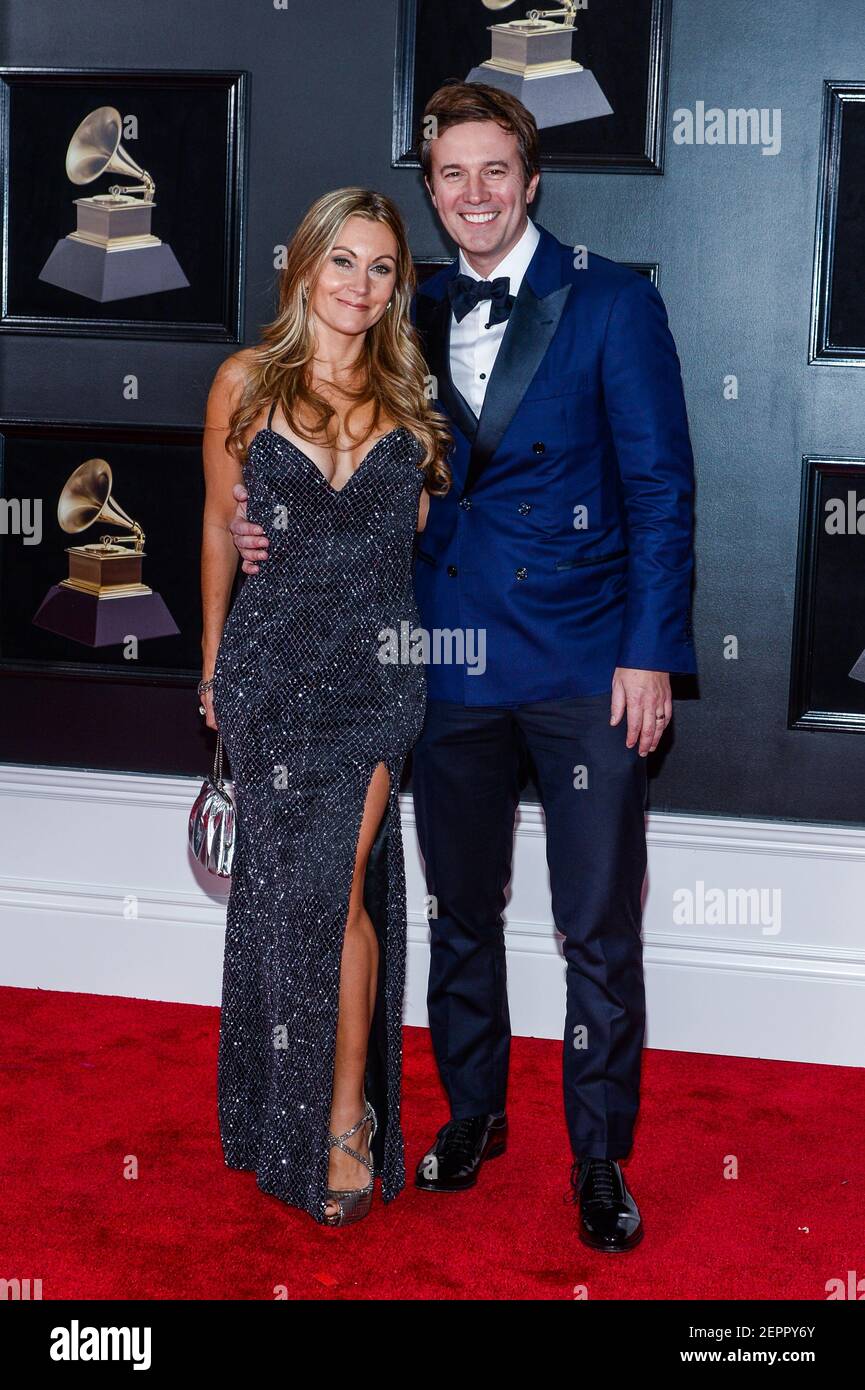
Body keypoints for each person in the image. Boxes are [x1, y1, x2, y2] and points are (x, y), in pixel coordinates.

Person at [228, 83, 697, 1253]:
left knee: (595, 925)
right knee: (459, 908)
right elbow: (339, 459)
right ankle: (472, 1113)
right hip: (438, 659)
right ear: (431, 190)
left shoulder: (612, 299)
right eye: (451, 174)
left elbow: (658, 490)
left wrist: (650, 653)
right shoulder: (404, 308)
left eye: (496, 171)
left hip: (585, 662)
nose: (474, 193)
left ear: (531, 181)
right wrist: (259, 532)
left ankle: (597, 1158)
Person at [199, 186, 450, 1226]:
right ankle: (276, 1108)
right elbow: (221, 527)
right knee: (284, 895)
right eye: (341, 261)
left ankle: (345, 1119)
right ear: (303, 267)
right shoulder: (244, 385)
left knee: (338, 884)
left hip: (377, 679)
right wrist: (213, 662)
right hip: (267, 673)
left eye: (381, 266)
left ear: (397, 285)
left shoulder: (412, 401)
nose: (359, 283)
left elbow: (419, 541)